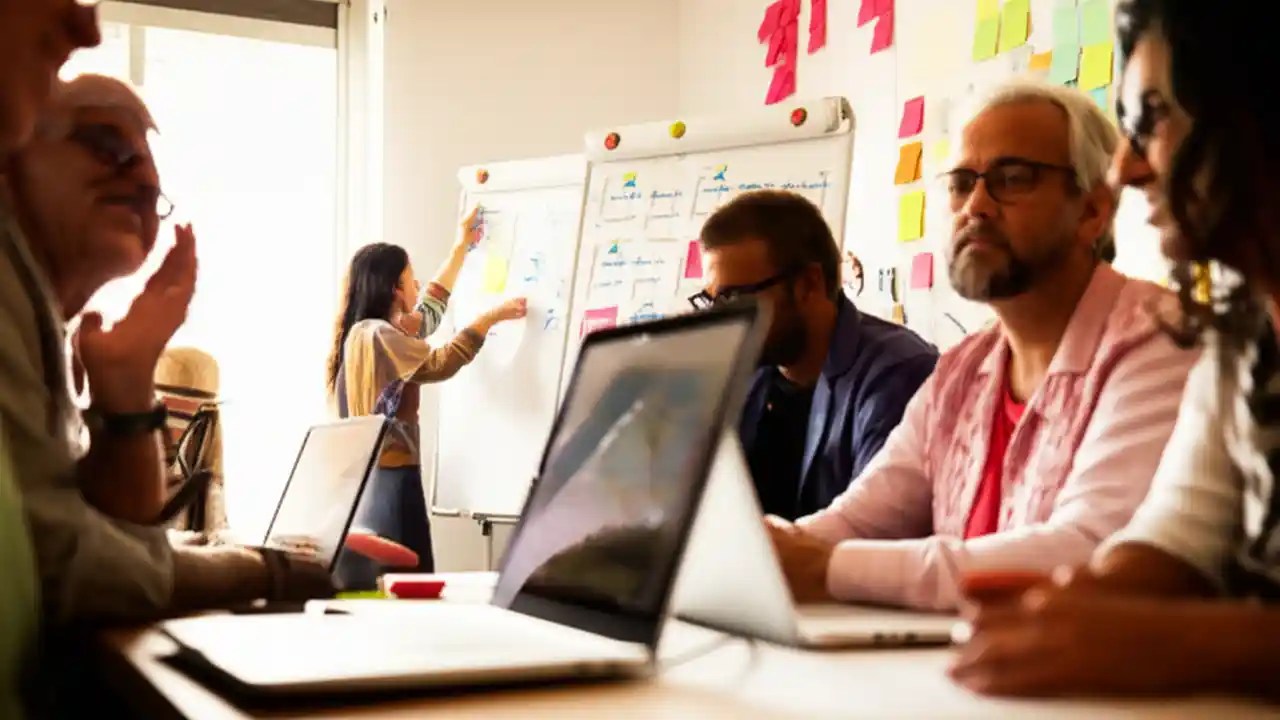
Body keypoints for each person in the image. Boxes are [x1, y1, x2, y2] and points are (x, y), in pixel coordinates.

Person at [764, 80, 1199, 611]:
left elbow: (1090, 548)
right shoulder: (962, 370)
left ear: (1092, 212)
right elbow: (857, 520)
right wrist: (768, 551)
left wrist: (829, 569)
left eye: (1012, 179)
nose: (976, 206)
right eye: (962, 182)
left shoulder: (1159, 337)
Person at [951, 1, 1280, 700]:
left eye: (1152, 119)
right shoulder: (1237, 336)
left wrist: (1186, 642)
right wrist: (1075, 606)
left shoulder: (1156, 331)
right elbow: (1177, 537)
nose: (1125, 169)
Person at [0, 74, 333, 626]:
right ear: (14, 156)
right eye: (110, 146)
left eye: (153, 195)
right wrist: (263, 570)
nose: (144, 177)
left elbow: (107, 536)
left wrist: (127, 383)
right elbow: (76, 570)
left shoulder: (44, 327)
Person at [693, 190, 938, 521]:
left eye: (735, 299)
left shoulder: (899, 374)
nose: (723, 321)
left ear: (808, 284)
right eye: (713, 302)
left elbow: (874, 531)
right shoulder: (747, 374)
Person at [329, 240, 525, 583]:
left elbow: (429, 314)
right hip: (391, 478)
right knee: (407, 577)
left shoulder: (368, 332)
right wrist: (490, 317)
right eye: (412, 277)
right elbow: (440, 363)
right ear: (394, 288)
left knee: (399, 577)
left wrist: (461, 247)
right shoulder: (380, 335)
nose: (417, 285)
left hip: (374, 477)